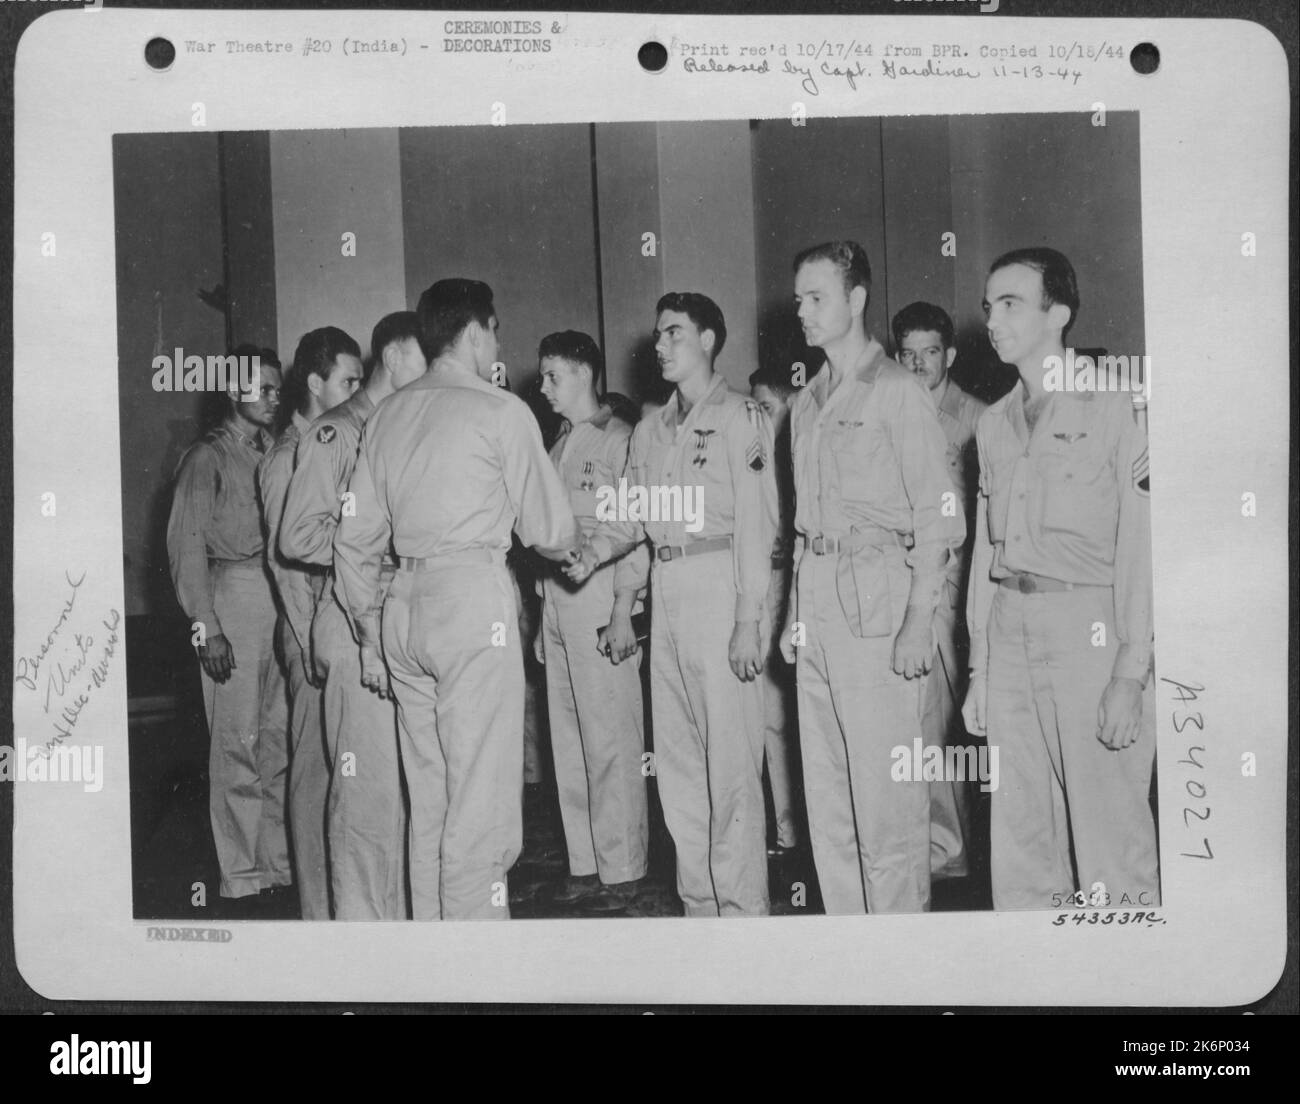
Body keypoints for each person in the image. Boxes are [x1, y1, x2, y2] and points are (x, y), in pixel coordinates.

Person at [334, 278, 582, 921]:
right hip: (471, 605)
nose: (498, 343)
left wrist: (368, 628)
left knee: (432, 796)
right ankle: (480, 976)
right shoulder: (500, 411)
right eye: (495, 331)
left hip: (402, 611)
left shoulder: (387, 415)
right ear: (476, 331)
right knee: (481, 802)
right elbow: (551, 532)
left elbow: (353, 539)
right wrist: (574, 550)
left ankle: (430, 965)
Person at [571, 292, 778, 917]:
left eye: (674, 334)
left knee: (733, 763)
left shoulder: (742, 416)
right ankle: (701, 910)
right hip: (668, 593)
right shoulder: (650, 429)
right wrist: (591, 558)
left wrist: (748, 621)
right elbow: (630, 520)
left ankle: (744, 916)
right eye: (658, 335)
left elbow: (756, 525)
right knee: (681, 762)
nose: (659, 346)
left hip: (722, 586)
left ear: (709, 340)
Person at [962, 247, 1157, 910]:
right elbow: (987, 563)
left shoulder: (1115, 405)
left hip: (1090, 632)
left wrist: (1131, 672)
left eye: (1011, 303)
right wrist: (980, 672)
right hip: (1010, 633)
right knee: (1021, 843)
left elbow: (1142, 546)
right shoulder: (992, 424)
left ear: (1060, 314)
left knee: (1110, 840)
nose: (993, 318)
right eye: (989, 306)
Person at [779, 242, 964, 915]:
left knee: (886, 806)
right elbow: (801, 528)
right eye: (798, 298)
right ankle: (849, 960)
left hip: (880, 602)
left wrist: (920, 618)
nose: (801, 310)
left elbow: (940, 516)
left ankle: (899, 966)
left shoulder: (896, 391)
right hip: (820, 601)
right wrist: (793, 619)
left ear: (856, 299)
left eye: (816, 296)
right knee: (828, 799)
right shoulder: (805, 403)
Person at [279, 313, 426, 920]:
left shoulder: (401, 426)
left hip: (394, 620)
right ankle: (361, 943)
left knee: (397, 793)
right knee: (364, 796)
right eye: (427, 356)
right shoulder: (336, 434)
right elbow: (296, 535)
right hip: (349, 619)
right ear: (394, 357)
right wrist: (373, 549)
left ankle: (390, 935)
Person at [166, 345, 291, 902]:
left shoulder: (274, 451)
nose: (272, 397)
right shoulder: (207, 458)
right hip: (232, 594)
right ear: (230, 391)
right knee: (236, 741)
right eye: (260, 388)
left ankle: (278, 867)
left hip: (277, 594)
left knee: (277, 740)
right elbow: (184, 549)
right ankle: (240, 875)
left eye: (275, 387)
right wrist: (206, 627)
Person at [535, 331, 650, 912]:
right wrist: (540, 617)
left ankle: (623, 860)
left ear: (584, 373)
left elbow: (637, 532)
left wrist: (624, 612)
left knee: (610, 734)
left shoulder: (619, 440)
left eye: (554, 376)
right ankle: (586, 858)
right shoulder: (558, 444)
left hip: (602, 596)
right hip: (558, 599)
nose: (546, 388)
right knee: (570, 736)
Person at [257, 327, 363, 919]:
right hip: (308, 632)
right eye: (348, 383)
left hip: (338, 623)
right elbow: (286, 568)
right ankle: (318, 913)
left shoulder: (336, 442)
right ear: (316, 384)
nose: (356, 393)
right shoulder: (285, 458)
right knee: (315, 777)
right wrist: (306, 649)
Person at [892, 301, 987, 881]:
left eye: (930, 352)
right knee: (912, 720)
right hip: (900, 582)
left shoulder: (975, 416)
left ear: (948, 355)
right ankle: (923, 842)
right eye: (908, 354)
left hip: (953, 585)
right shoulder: (893, 408)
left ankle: (951, 852)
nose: (919, 363)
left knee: (947, 721)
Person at [748, 363, 800, 858]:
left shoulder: (805, 450)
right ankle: (784, 832)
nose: (758, 418)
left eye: (766, 407)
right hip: (763, 589)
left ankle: (800, 834)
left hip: (798, 591)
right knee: (768, 719)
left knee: (791, 720)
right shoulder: (757, 457)